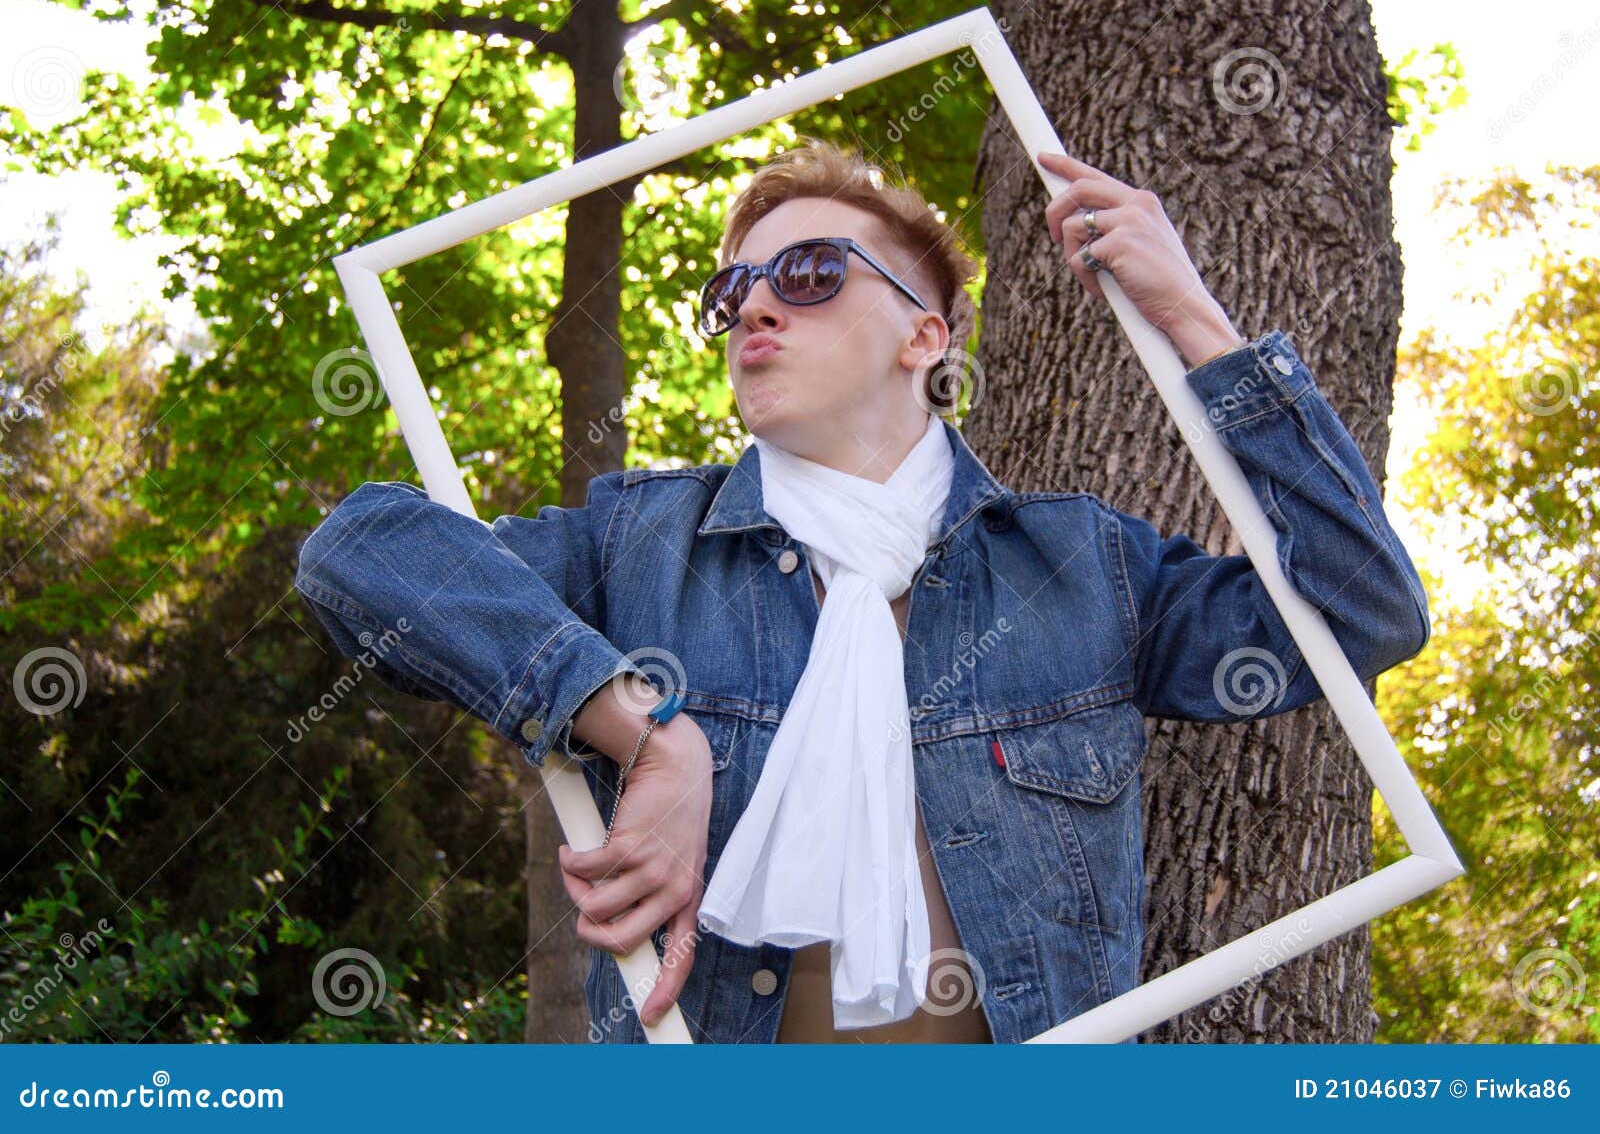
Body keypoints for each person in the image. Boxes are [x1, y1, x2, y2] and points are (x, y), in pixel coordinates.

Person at [294, 138, 1431, 1044]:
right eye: (730, 289)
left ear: (923, 336)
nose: (752, 307)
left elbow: (1362, 610)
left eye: (808, 273)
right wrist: (648, 735)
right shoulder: (642, 540)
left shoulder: (1081, 567)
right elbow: (361, 549)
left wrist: (1191, 317)